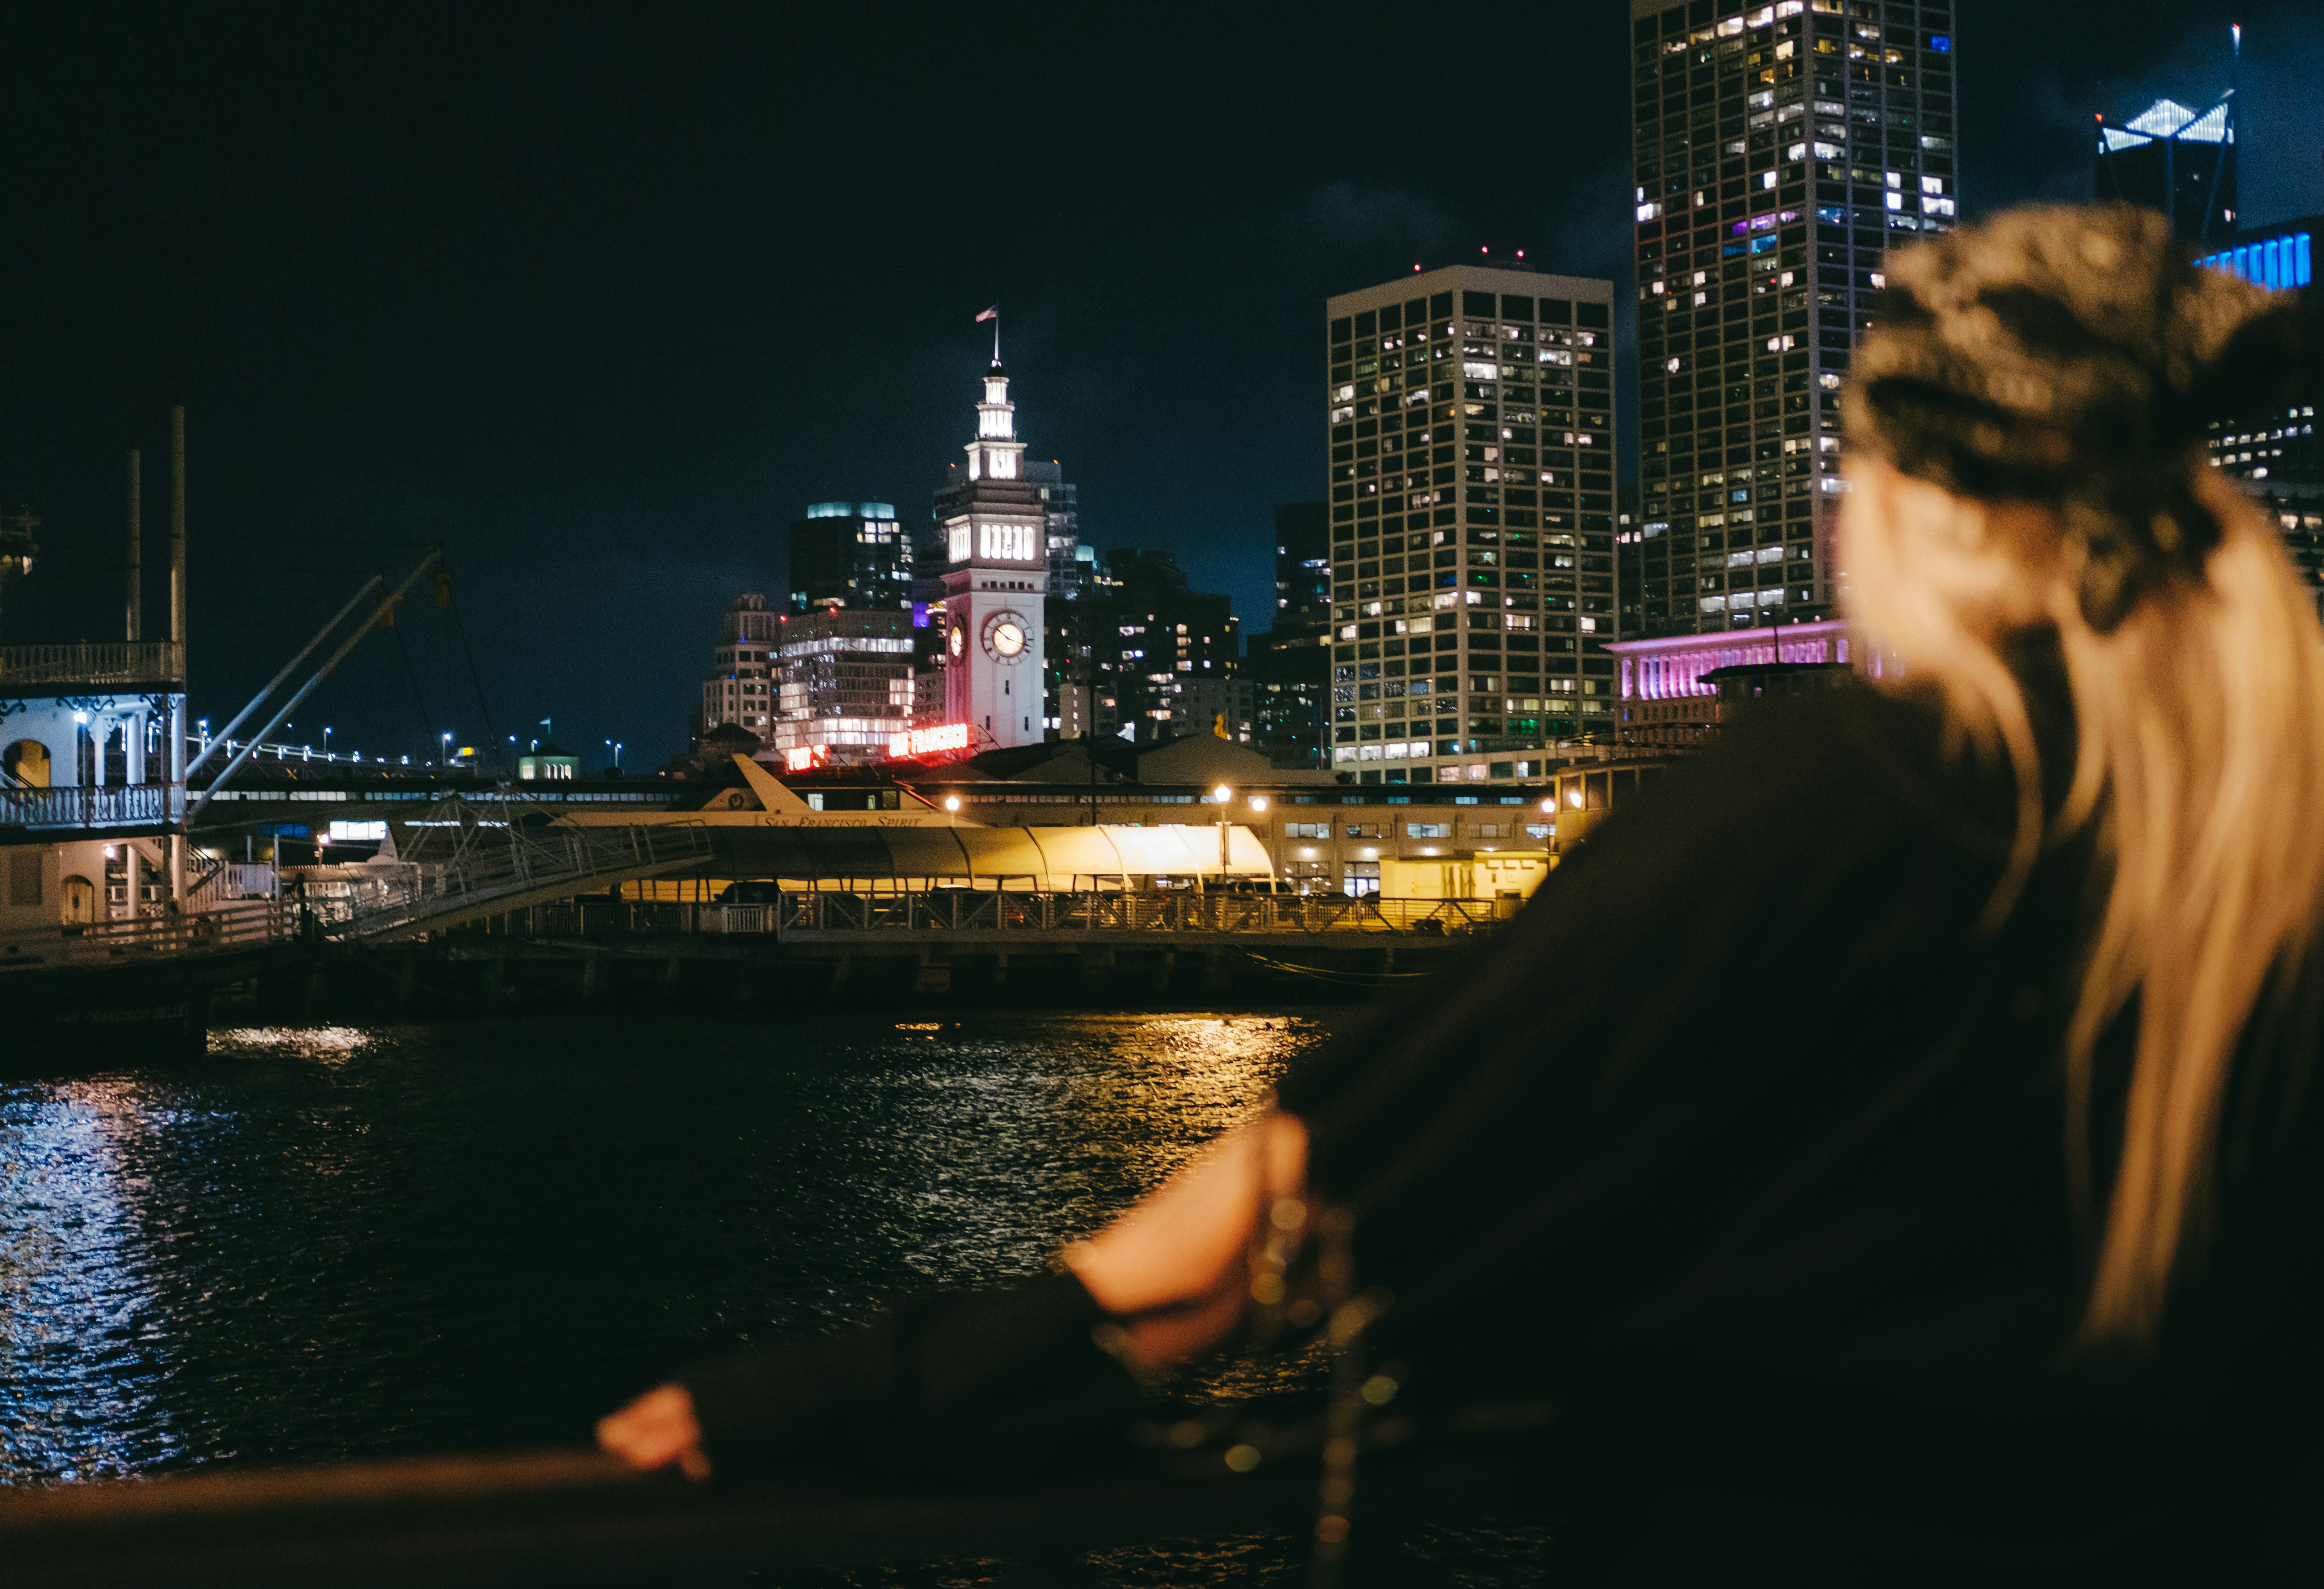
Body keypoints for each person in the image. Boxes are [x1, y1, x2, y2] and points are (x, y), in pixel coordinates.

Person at [600, 207, 2324, 1577]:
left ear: (1912, 503)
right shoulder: (2262, 842)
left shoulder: (1831, 801)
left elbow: (1288, 1208)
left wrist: (837, 1395)